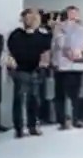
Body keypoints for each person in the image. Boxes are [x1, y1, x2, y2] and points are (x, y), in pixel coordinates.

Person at [6, 9, 53, 138]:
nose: (31, 21)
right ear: (22, 19)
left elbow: (46, 53)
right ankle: (19, 128)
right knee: (19, 99)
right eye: (28, 18)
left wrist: (43, 67)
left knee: (35, 99)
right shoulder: (15, 35)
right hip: (20, 71)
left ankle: (33, 126)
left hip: (36, 71)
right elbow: (10, 53)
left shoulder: (43, 36)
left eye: (35, 18)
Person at [52, 6, 83, 130]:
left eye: (76, 13)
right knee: (61, 94)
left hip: (77, 65)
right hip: (63, 65)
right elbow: (59, 43)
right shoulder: (59, 28)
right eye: (71, 13)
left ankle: (76, 118)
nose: (74, 15)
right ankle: (63, 120)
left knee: (76, 94)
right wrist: (68, 51)